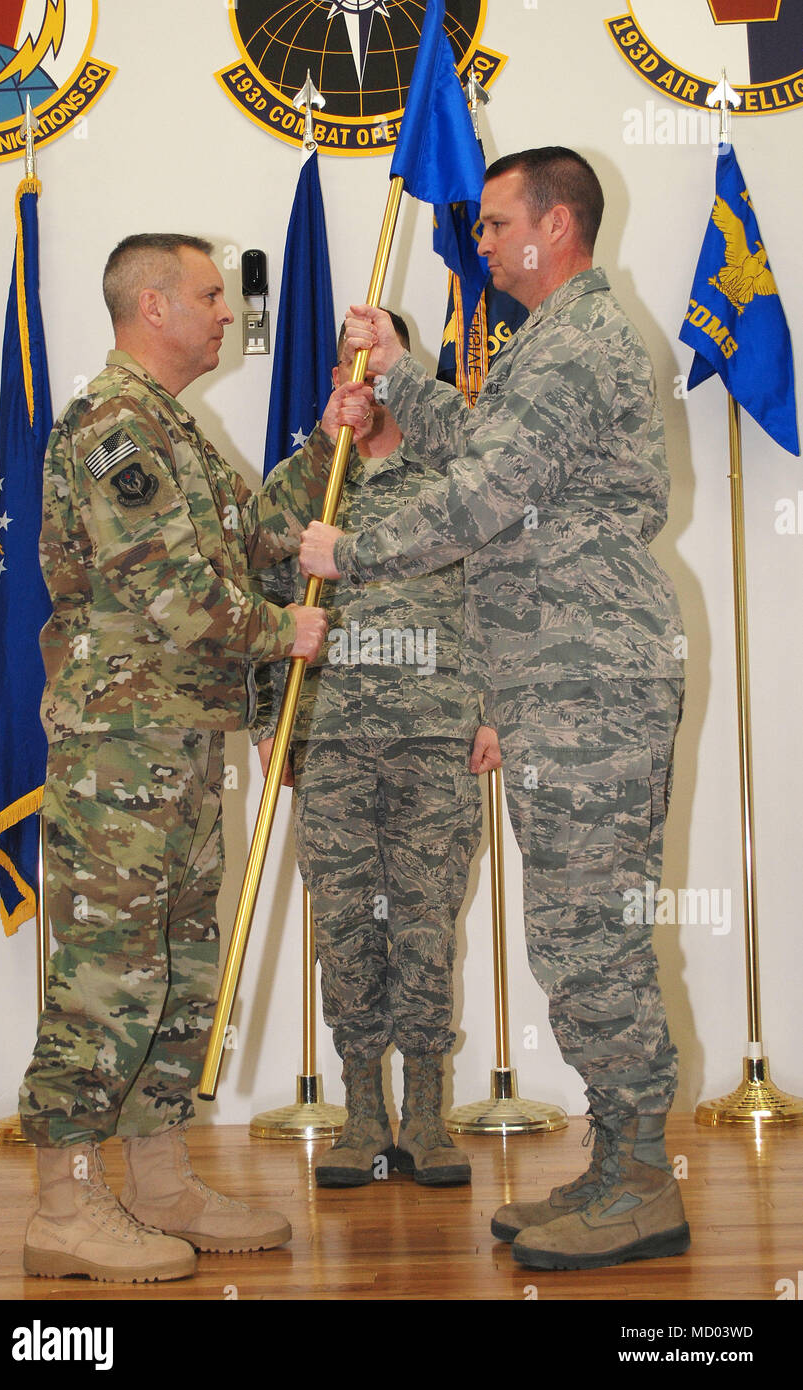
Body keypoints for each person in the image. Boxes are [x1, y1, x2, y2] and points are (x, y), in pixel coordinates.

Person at [299, 149, 689, 1271]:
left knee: (591, 935)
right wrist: (401, 374)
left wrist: (353, 548)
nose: (481, 242)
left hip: (588, 684)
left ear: (555, 227)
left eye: (496, 223)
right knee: (580, 930)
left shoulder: (575, 344)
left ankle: (640, 1182)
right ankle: (621, 1163)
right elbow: (481, 446)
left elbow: (479, 497)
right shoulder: (550, 343)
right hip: (562, 684)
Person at [19, 233, 333, 1284]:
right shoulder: (113, 425)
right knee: (106, 974)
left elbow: (250, 537)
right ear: (153, 306)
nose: (225, 312)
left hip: (181, 744)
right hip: (123, 750)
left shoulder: (174, 431)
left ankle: (158, 1178)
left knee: (180, 970)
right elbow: (172, 590)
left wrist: (331, 438)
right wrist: (279, 631)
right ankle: (64, 1201)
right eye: (207, 294)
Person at [253, 315, 501, 1188]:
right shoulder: (304, 485)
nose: (360, 384)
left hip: (437, 737)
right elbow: (258, 589)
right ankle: (363, 1112)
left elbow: (497, 596)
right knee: (348, 929)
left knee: (428, 927)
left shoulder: (450, 477)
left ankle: (426, 1113)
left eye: (376, 366)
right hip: (329, 742)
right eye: (346, 369)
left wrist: (495, 708)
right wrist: (264, 726)